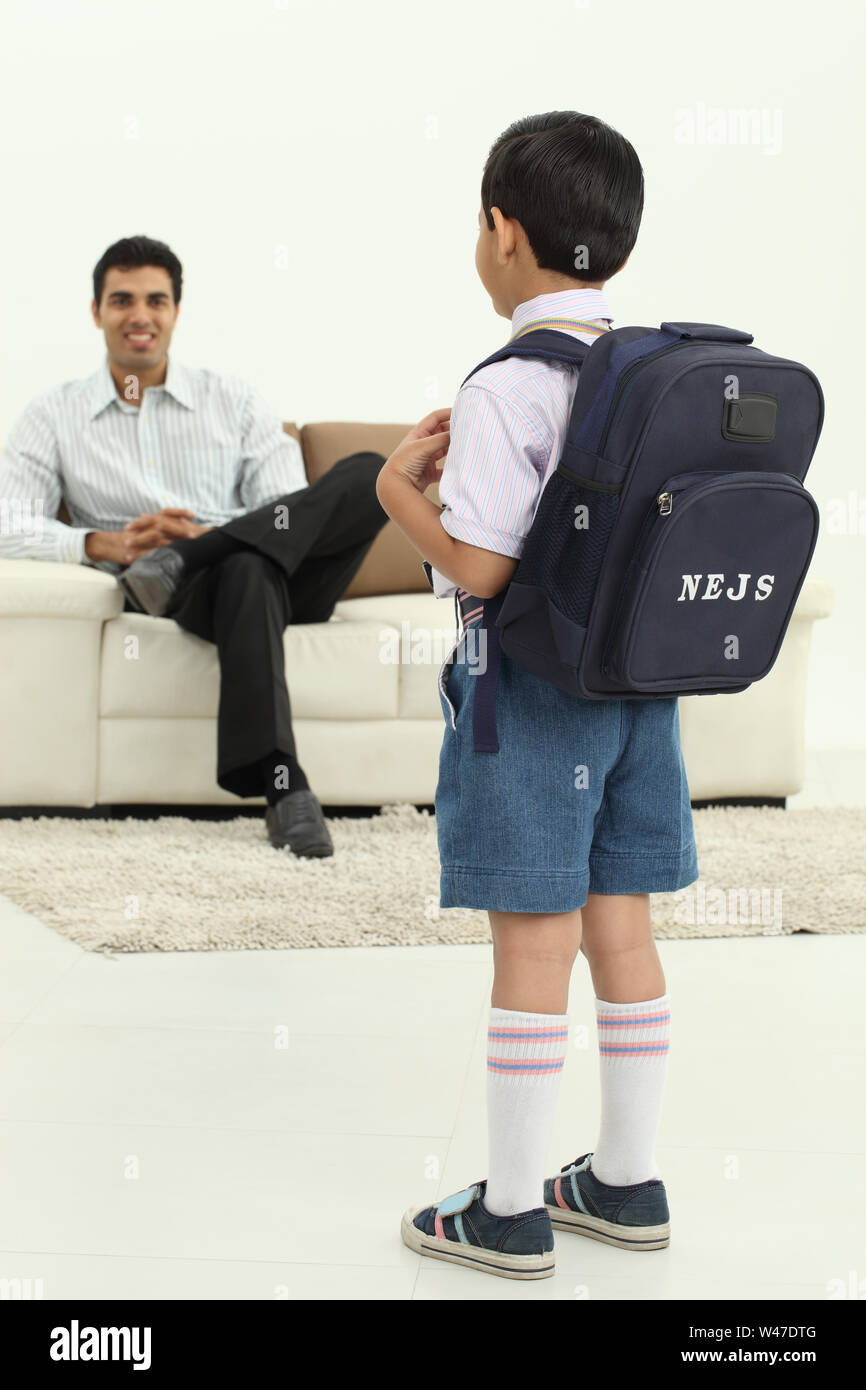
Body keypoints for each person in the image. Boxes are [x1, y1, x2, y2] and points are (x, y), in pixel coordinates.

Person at [376, 111, 699, 1280]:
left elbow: (479, 568)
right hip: (636, 695)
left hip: (530, 696)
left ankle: (508, 1209)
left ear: (503, 232)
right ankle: (625, 1176)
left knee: (532, 940)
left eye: (479, 218)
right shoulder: (654, 373)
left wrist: (388, 488)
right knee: (621, 925)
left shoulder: (509, 382)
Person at [0, 235, 391, 857]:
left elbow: (290, 513)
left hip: (285, 576)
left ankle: (196, 553)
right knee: (244, 567)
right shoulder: (53, 415)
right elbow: (9, 523)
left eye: (156, 300)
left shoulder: (234, 401)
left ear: (176, 312)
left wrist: (203, 538)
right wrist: (112, 544)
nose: (139, 315)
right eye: (121, 299)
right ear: (96, 311)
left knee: (372, 470)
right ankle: (284, 789)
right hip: (184, 592)